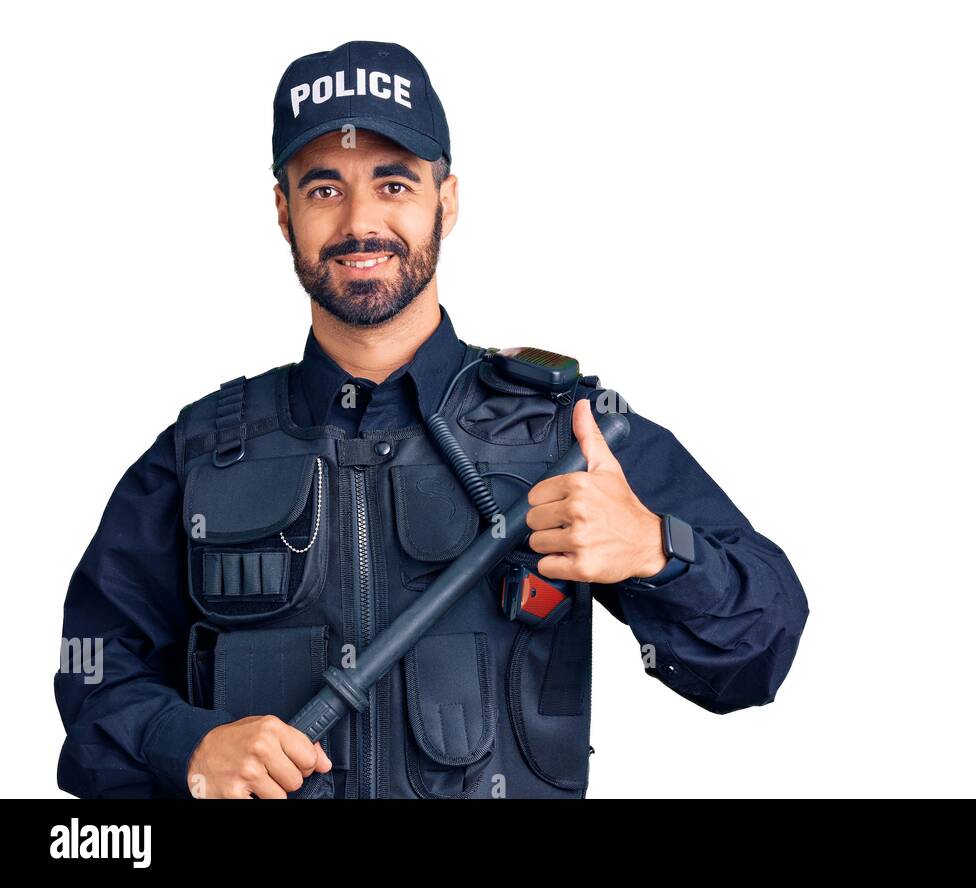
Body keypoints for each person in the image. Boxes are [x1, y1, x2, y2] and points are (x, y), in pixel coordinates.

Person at [54, 40, 809, 799]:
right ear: (283, 212)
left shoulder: (567, 433)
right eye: (324, 190)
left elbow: (761, 649)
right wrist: (189, 748)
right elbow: (92, 671)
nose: (360, 222)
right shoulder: (200, 451)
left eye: (393, 184)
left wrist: (656, 551)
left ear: (446, 201)